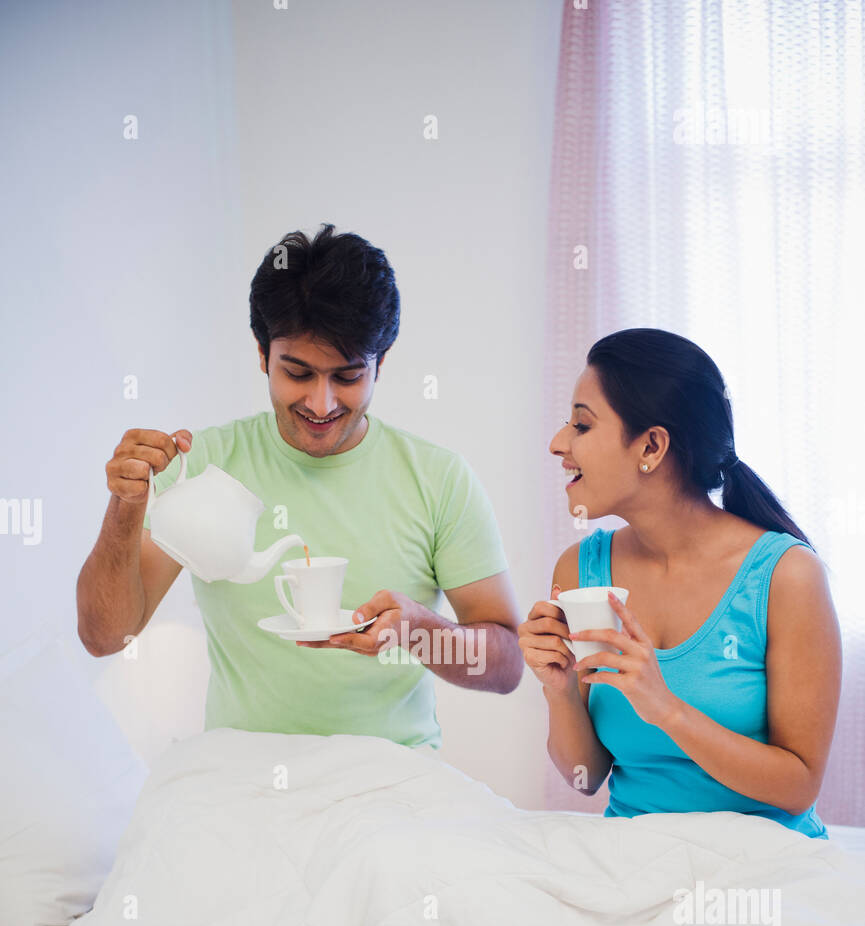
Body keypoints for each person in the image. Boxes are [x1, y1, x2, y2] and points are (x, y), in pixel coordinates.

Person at [77, 225, 522, 749]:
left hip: (392, 779)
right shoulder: (203, 465)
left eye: (349, 377)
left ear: (383, 360)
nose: (321, 403)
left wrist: (421, 633)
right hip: (240, 777)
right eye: (298, 373)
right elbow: (105, 637)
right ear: (262, 354)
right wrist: (125, 506)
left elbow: (507, 666)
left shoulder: (439, 478)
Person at [518, 327, 841, 839]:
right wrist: (559, 689)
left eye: (582, 424)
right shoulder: (579, 571)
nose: (559, 444)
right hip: (634, 858)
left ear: (651, 445)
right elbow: (586, 777)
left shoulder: (787, 576)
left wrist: (665, 707)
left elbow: (798, 785)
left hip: (764, 864)